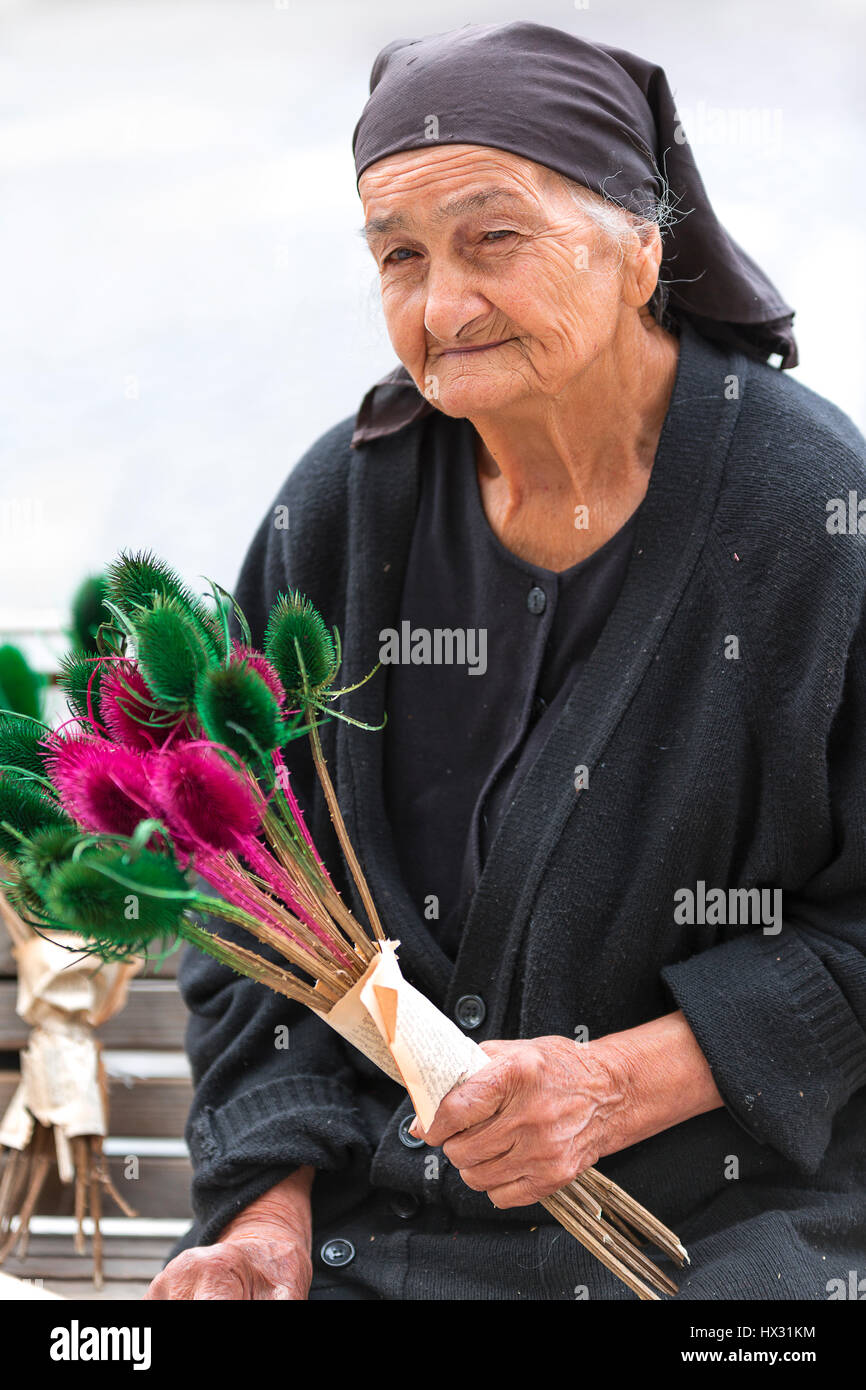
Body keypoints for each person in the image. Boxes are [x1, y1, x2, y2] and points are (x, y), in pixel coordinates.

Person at [147, 23, 866, 1301]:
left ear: (642, 248)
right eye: (397, 256)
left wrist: (602, 1088)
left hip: (728, 1222)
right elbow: (243, 896)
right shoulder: (341, 509)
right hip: (380, 1212)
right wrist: (267, 1215)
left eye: (494, 238)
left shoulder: (812, 512)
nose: (439, 307)